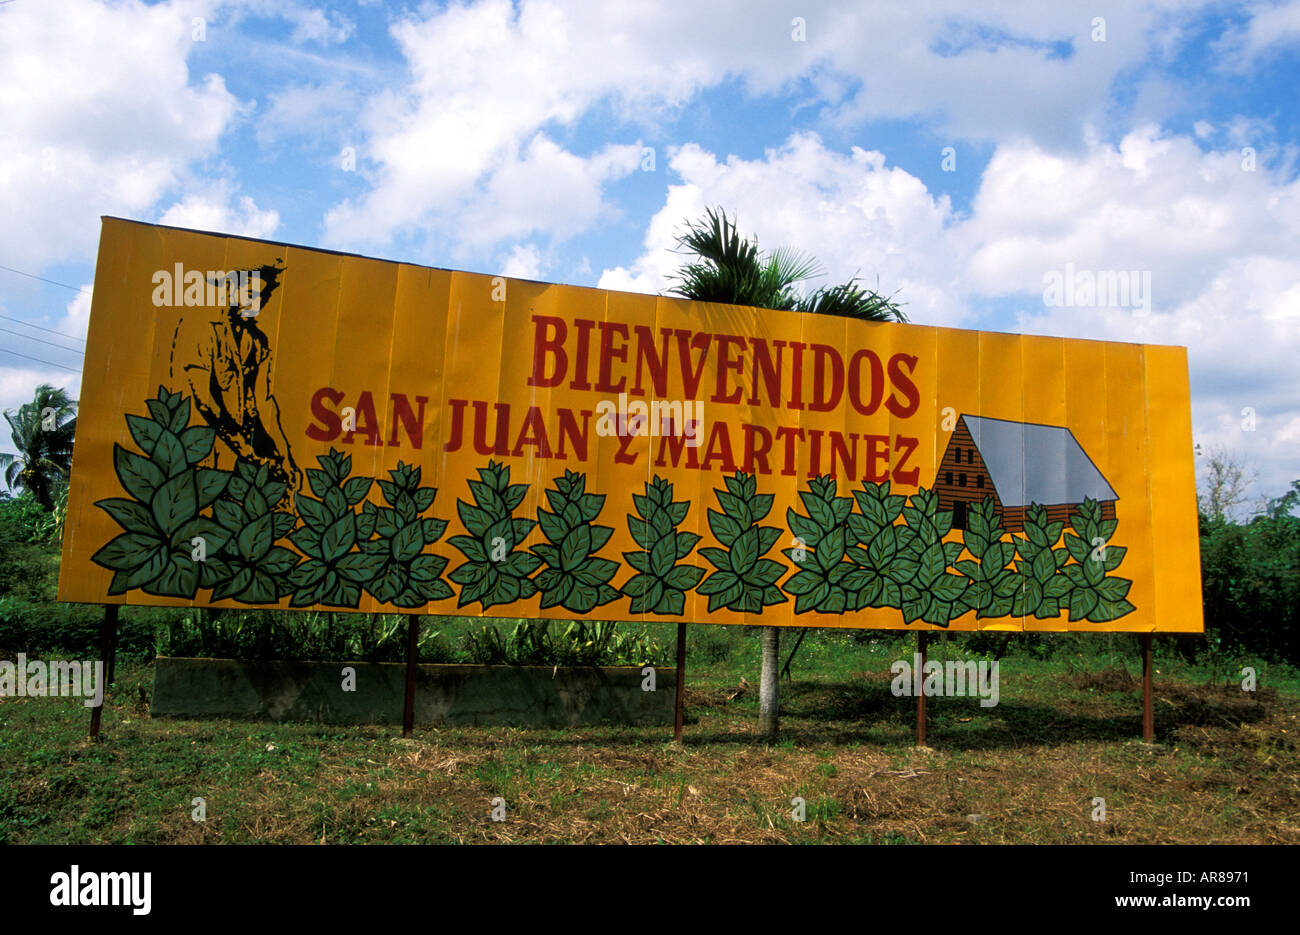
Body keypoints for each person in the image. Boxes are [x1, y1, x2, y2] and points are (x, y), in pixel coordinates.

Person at [168, 259, 302, 495]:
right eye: (249, 293)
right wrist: (243, 448)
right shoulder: (201, 328)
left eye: (261, 297)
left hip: (241, 450)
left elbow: (264, 401)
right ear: (231, 291)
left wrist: (285, 457)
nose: (254, 303)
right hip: (202, 445)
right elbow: (203, 400)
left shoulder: (257, 342)